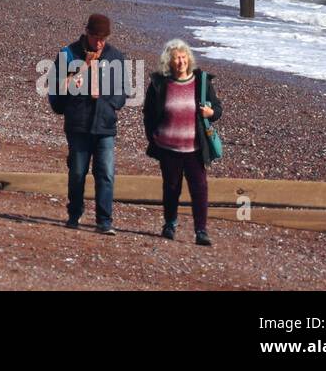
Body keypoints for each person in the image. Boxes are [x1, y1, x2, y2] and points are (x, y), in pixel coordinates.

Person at [46, 14, 129, 235]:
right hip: (78, 124)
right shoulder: (68, 54)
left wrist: (109, 102)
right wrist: (79, 75)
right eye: (95, 37)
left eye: (103, 38)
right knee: (77, 172)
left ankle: (104, 220)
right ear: (87, 33)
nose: (99, 43)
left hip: (105, 125)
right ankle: (74, 213)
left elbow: (123, 89)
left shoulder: (116, 57)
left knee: (105, 173)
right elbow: (54, 88)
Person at [143, 39, 223, 247]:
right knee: (171, 187)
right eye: (176, 58)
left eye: (183, 57)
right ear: (168, 62)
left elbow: (218, 109)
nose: (180, 62)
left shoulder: (202, 82)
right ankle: (169, 224)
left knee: (200, 188)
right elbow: (148, 114)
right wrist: (152, 137)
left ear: (189, 58)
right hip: (168, 147)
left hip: (195, 148)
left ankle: (201, 231)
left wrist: (210, 112)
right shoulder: (160, 84)